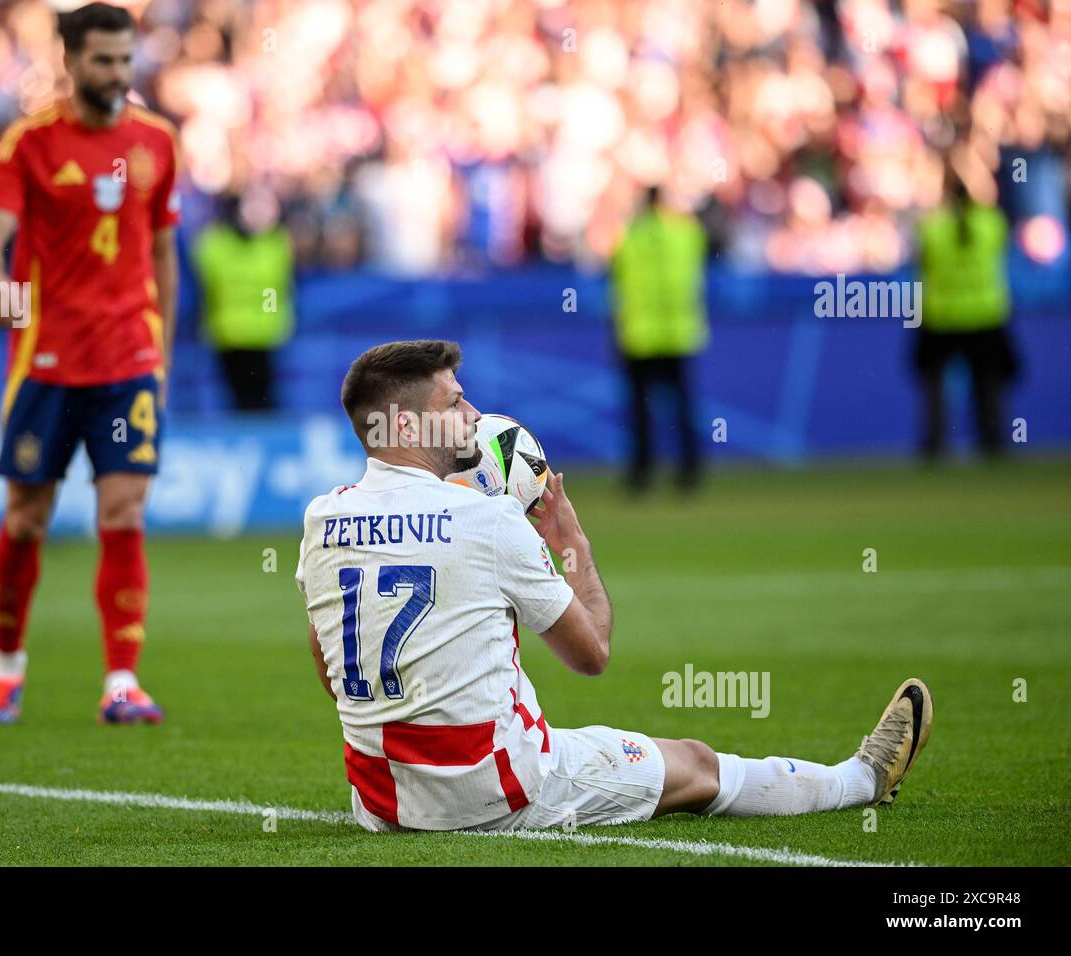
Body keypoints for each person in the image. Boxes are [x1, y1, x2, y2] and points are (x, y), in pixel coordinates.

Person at [295, 339, 933, 832]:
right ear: (406, 428)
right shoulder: (488, 519)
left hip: (382, 803)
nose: (473, 414)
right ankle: (862, 780)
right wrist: (570, 542)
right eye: (454, 403)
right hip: (502, 792)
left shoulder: (321, 519)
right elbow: (591, 654)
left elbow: (333, 677)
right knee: (696, 764)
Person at [0, 2, 181, 724]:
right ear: (70, 60)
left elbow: (162, 252)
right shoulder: (28, 143)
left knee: (123, 510)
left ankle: (123, 681)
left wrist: (163, 353)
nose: (119, 74)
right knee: (27, 518)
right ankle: (5, 670)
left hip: (128, 362)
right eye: (103, 61)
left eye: (126, 60)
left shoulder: (156, 141)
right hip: (47, 363)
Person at [913, 163, 1019, 459]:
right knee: (989, 385)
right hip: (986, 314)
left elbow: (921, 263)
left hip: (941, 316)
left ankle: (934, 446)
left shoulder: (931, 228)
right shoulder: (992, 223)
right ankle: (993, 443)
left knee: (934, 386)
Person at [611, 186, 709, 492]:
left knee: (640, 413)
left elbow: (615, 276)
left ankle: (641, 475)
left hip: (639, 337)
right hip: (678, 335)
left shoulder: (630, 238)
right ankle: (690, 473)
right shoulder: (686, 235)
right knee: (683, 408)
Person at [192, 188, 295, 411]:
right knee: (239, 401)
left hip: (264, 336)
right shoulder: (214, 244)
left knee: (263, 400)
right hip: (228, 336)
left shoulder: (276, 244)